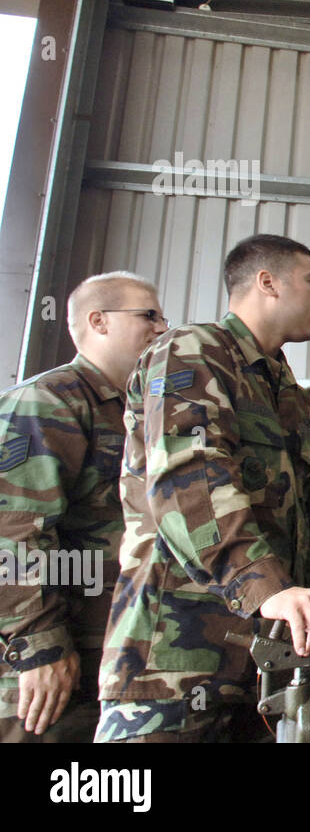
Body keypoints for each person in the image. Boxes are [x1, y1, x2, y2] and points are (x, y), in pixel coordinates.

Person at [96, 234, 310, 742]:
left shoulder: (288, 394)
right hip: (173, 663)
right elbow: (189, 479)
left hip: (266, 668)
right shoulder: (193, 351)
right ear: (267, 283)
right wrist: (267, 589)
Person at [0, 273, 167, 742]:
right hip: (49, 663)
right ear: (98, 321)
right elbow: (12, 530)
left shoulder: (137, 411)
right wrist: (39, 644)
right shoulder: (47, 402)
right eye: (148, 316)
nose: (160, 328)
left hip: (112, 650)